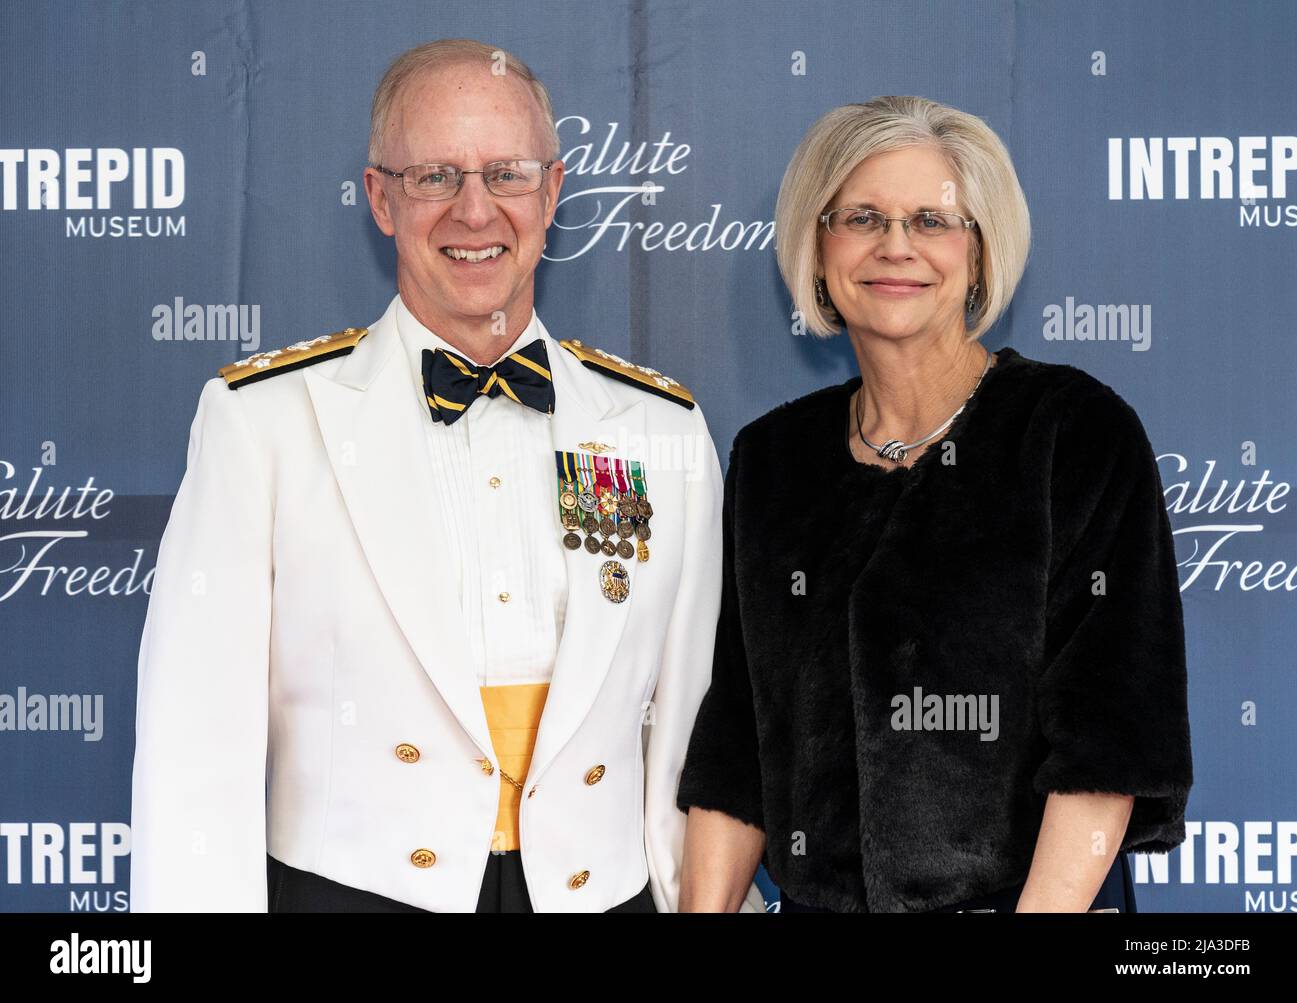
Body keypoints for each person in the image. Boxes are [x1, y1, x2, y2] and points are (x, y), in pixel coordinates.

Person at [129, 37, 764, 914]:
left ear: (553, 191)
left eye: (507, 174)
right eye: (435, 177)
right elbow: (194, 748)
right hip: (346, 895)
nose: (475, 211)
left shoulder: (662, 430)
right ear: (380, 199)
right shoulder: (262, 421)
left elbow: (695, 726)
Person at [675, 95, 1194, 913]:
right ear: (817, 248)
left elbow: (1109, 746)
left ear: (981, 253)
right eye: (861, 218)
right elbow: (738, 739)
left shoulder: (1074, 433)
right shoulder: (772, 459)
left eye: (932, 219)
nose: (896, 246)